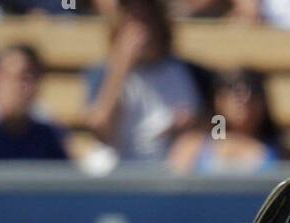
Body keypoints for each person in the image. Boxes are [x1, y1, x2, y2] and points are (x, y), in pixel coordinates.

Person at [83, 0, 208, 164]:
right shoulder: (103, 72)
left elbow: (215, 125)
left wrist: (191, 126)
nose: (141, 31)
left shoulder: (190, 72)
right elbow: (100, 130)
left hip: (173, 169)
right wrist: (121, 67)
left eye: (147, 18)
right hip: (119, 168)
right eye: (132, 20)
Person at [169, 68, 290, 174]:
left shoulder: (283, 154)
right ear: (219, 100)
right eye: (235, 91)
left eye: (254, 91)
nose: (245, 99)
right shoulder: (192, 147)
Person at [0, 45, 71, 162]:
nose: (16, 86)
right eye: (8, 77)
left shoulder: (50, 139)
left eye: (24, 78)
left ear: (37, 83)